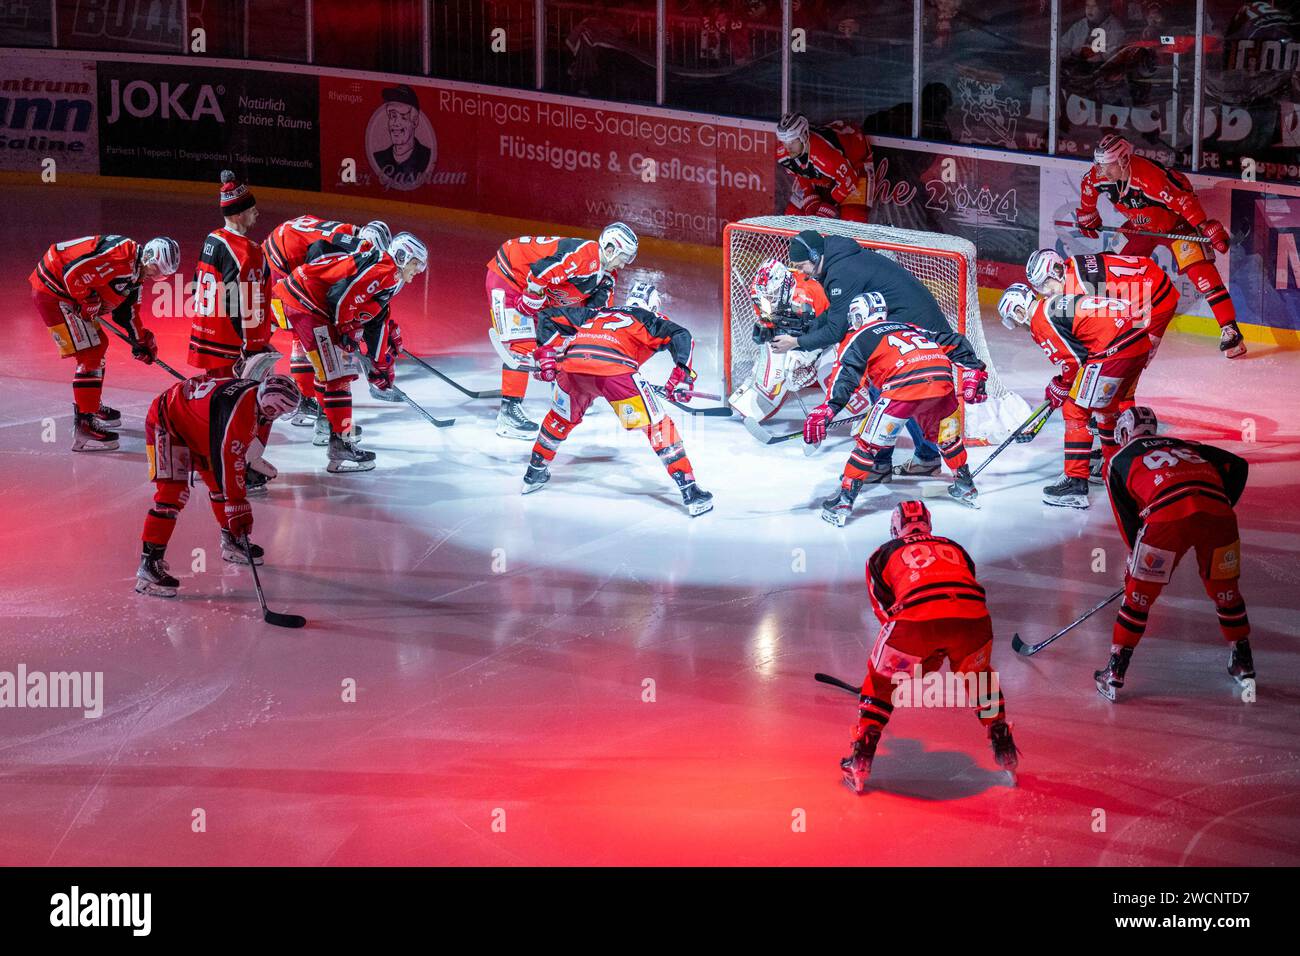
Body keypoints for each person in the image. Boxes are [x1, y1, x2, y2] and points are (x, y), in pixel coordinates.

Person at [841, 499, 1019, 793]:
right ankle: (1001, 738)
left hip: (915, 621)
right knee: (979, 676)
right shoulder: (954, 545)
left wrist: (921, 658)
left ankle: (862, 753)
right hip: (974, 620)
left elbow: (886, 615)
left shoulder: (881, 554)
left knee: (880, 680)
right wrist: (942, 649)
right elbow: (965, 589)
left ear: (895, 527)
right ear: (929, 525)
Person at [1098, 406, 1253, 699]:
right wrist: (1220, 502)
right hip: (1219, 516)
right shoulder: (1185, 445)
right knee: (1226, 592)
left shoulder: (1118, 460)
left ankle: (1115, 673)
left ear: (1123, 433)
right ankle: (1243, 663)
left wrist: (1135, 563)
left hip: (1166, 520)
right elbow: (1239, 464)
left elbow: (1126, 520)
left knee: (1138, 599)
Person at [521, 283, 714, 516]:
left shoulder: (596, 313)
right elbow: (682, 336)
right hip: (616, 374)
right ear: (653, 306)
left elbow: (546, 316)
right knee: (657, 426)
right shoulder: (650, 317)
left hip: (574, 368)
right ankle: (690, 490)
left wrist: (546, 356)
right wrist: (682, 375)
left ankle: (534, 472)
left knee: (560, 418)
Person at [806, 292, 987, 525]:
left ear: (860, 316)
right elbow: (955, 341)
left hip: (902, 387)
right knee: (948, 438)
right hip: (941, 380)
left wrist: (828, 408)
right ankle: (965, 485)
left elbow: (846, 375)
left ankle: (843, 500)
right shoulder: (908, 326)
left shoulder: (858, 336)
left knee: (868, 445)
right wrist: (974, 370)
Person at [781, 229, 950, 474]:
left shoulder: (841, 272)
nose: (802, 274)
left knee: (893, 387)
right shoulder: (838, 262)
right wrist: (804, 331)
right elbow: (837, 313)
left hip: (921, 330)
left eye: (802, 265)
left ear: (816, 256)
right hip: (913, 326)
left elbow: (835, 332)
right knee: (894, 388)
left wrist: (796, 343)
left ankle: (886, 463)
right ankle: (921, 458)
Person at [1076, 131, 1242, 357]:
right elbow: (1087, 185)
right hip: (1139, 227)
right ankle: (1108, 323)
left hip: (1175, 226)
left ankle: (1230, 330)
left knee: (1202, 274)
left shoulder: (1150, 179)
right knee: (1112, 266)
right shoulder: (1099, 175)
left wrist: (1205, 227)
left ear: (1123, 160)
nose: (1100, 170)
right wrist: (1087, 214)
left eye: (1106, 165)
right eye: (1099, 164)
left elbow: (1184, 201)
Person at [272, 233, 427, 473]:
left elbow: (375, 317)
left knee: (333, 373)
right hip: (308, 305)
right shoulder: (384, 269)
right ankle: (340, 442)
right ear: (403, 255)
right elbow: (342, 296)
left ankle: (332, 429)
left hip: (303, 301)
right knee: (339, 375)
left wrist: (380, 360)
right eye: (417, 262)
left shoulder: (386, 271)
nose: (419, 270)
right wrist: (346, 329)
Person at [135, 374, 301, 597]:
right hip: (167, 423)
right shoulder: (238, 414)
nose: (279, 415)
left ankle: (232, 541)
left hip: (198, 424)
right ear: (271, 405)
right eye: (280, 411)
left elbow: (236, 454)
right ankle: (149, 565)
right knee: (172, 494)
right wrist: (238, 507)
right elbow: (230, 461)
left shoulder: (257, 396)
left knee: (217, 481)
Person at [1025, 247, 1179, 482]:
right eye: (1039, 289)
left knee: (1126, 366)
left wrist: (1069, 384)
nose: (1045, 294)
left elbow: (1103, 341)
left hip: (1153, 300)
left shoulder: (1079, 289)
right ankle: (1119, 436)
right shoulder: (1070, 266)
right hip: (1146, 289)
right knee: (1119, 366)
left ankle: (1132, 444)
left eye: (1046, 285)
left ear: (1056, 271)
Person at [998, 278, 1150, 509]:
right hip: (1138, 342)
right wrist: (1064, 382)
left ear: (1018, 311)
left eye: (1014, 321)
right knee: (1105, 408)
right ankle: (1114, 470)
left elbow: (1074, 361)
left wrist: (1063, 384)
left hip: (1114, 349)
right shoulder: (1054, 303)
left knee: (1075, 409)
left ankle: (1075, 483)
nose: (1019, 327)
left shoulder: (1040, 320)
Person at [486, 223, 637, 440]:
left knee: (563, 340)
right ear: (611, 249)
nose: (624, 264)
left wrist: (595, 344)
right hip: (509, 275)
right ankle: (508, 413)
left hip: (537, 289)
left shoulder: (605, 277)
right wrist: (531, 297)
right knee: (523, 344)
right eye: (625, 257)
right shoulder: (584, 256)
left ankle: (563, 392)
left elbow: (594, 317)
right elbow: (540, 271)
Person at [29, 234, 179, 451]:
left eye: (161, 276)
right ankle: (84, 422)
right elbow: (72, 272)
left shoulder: (136, 271)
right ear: (149, 257)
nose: (154, 276)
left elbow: (127, 312)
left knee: (99, 345)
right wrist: (86, 299)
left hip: (65, 292)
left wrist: (140, 340)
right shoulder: (120, 257)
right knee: (92, 351)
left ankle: (89, 402)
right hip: (53, 292)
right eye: (156, 270)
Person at [264, 215, 392, 418]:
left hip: (280, 252)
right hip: (280, 265)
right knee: (303, 323)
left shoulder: (348, 233)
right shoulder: (346, 248)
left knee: (300, 323)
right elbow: (318, 283)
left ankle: (304, 396)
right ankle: (304, 399)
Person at [728, 258, 863, 422]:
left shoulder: (814, 290)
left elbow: (837, 327)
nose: (769, 301)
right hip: (798, 339)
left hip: (832, 339)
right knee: (776, 366)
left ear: (784, 285)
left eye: (773, 295)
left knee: (830, 375)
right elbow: (770, 325)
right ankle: (753, 402)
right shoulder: (763, 295)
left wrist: (811, 358)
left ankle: (863, 414)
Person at [188, 171, 271, 378]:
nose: (257, 213)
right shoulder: (247, 250)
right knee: (236, 401)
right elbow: (239, 300)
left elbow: (195, 283)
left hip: (207, 335)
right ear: (238, 214)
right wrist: (248, 344)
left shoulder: (212, 239)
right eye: (252, 210)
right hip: (230, 345)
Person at [775, 113, 874, 223]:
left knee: (853, 218)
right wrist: (809, 193)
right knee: (793, 216)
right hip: (828, 172)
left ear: (804, 136)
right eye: (784, 142)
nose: (788, 148)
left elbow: (849, 180)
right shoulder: (783, 153)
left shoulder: (825, 156)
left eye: (792, 142)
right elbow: (800, 172)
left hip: (855, 165)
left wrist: (828, 205)